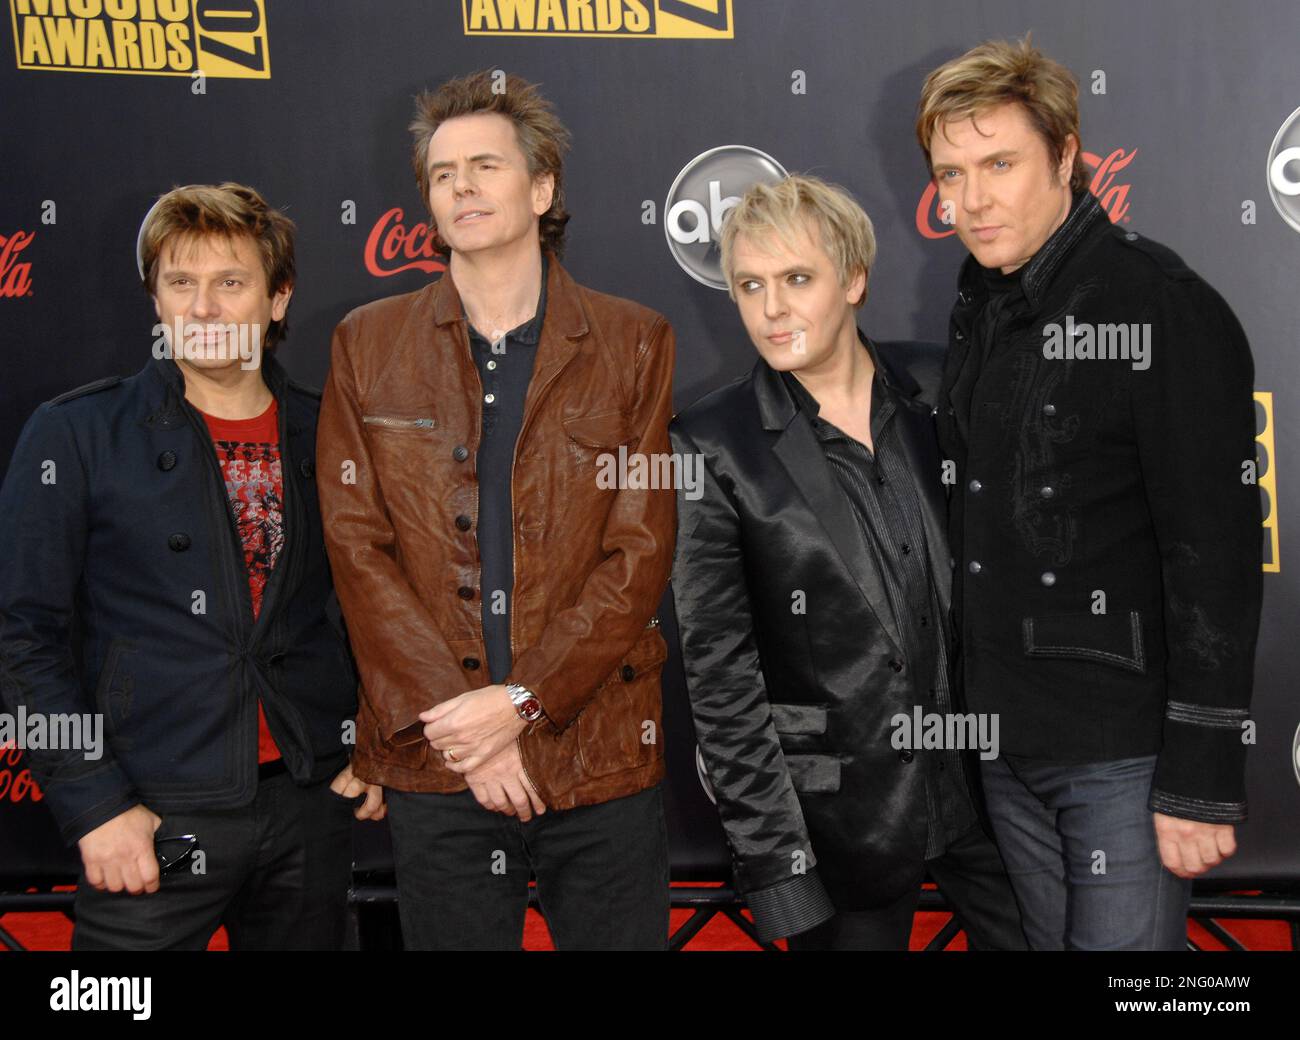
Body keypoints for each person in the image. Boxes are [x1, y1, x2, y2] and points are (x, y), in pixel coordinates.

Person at [915, 35, 1263, 950]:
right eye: (951, 174)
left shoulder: (1156, 302)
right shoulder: (982, 300)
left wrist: (1199, 776)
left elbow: (1217, 552)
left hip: (1121, 756)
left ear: (1067, 157)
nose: (972, 199)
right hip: (1006, 742)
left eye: (999, 163)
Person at [316, 70, 677, 951]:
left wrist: (520, 703)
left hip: (597, 754)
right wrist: (465, 725)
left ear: (542, 187)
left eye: (485, 165)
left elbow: (639, 553)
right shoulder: (366, 342)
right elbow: (357, 549)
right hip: (438, 765)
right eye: (442, 175)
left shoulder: (633, 341)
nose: (462, 187)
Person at [0, 182, 378, 951]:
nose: (203, 308)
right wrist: (94, 805)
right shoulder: (76, 433)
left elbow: (379, 602)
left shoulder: (332, 428)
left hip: (309, 807)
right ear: (156, 299)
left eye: (230, 282)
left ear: (277, 300)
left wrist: (381, 741)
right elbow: (21, 635)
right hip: (149, 811)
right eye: (181, 282)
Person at [669, 174, 1027, 950]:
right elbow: (722, 679)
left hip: (992, 797)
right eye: (750, 285)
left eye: (797, 279)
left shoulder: (943, 388)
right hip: (838, 824)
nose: (772, 309)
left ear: (854, 279)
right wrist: (779, 870)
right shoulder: (711, 442)